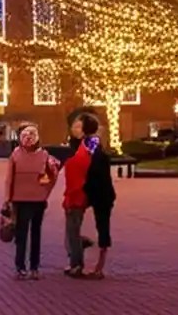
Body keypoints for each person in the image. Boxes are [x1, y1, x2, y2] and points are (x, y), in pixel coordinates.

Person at [3, 125, 58, 280]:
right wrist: (8, 199)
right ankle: (20, 266)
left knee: (35, 233)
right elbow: (9, 179)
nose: (28, 138)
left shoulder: (44, 155)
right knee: (21, 235)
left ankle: (34, 267)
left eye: (32, 135)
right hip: (20, 200)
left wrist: (46, 191)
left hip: (38, 200)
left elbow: (51, 176)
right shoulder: (15, 155)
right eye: (25, 135)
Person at [79, 114, 116, 279]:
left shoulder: (92, 146)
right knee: (97, 224)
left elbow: (91, 170)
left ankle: (99, 266)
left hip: (99, 193)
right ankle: (87, 257)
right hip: (98, 192)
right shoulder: (92, 145)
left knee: (102, 226)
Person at [61, 115, 92, 278]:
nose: (75, 129)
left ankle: (77, 264)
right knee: (69, 233)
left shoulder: (87, 148)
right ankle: (77, 253)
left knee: (72, 231)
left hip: (79, 195)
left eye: (79, 127)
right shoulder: (73, 147)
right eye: (74, 126)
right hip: (71, 195)